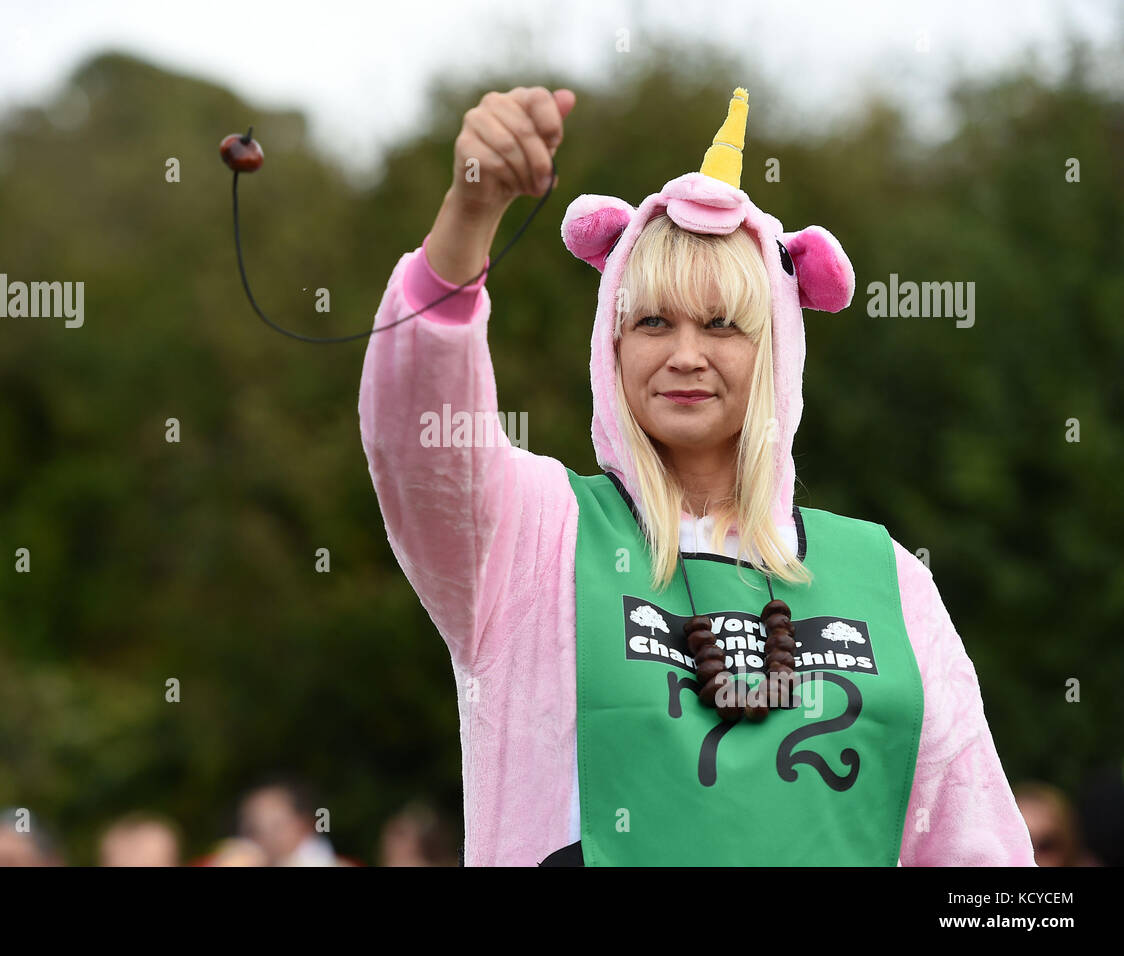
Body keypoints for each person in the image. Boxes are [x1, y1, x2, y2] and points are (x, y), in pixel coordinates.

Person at [359, 85, 1037, 866]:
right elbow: (418, 444)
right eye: (653, 321)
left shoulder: (891, 579)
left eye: (721, 324)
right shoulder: (536, 535)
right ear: (612, 345)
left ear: (776, 348)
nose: (685, 355)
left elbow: (979, 852)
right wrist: (467, 218)